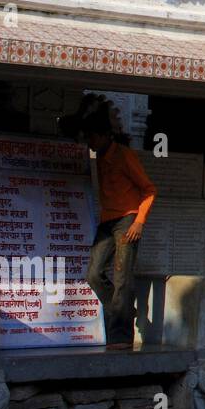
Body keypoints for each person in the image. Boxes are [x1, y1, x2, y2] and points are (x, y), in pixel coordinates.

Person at [78, 98, 156, 350]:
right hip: (107, 219)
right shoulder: (99, 157)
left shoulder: (123, 155)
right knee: (93, 274)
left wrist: (139, 222)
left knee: (122, 277)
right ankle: (121, 310)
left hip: (127, 219)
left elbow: (149, 190)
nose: (89, 142)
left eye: (91, 137)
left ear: (103, 136)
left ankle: (120, 336)